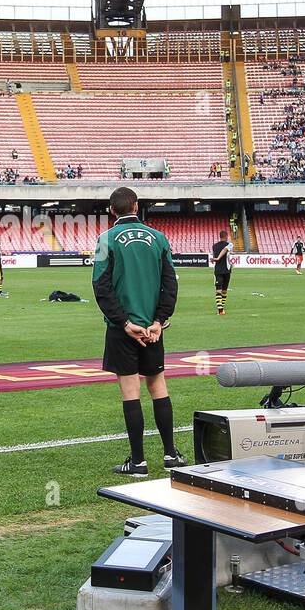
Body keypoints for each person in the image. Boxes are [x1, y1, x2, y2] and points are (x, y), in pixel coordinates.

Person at [92, 186, 185, 476]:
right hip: (152, 329)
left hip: (124, 330)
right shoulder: (158, 238)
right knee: (158, 387)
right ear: (136, 205)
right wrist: (159, 320)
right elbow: (170, 282)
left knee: (130, 392)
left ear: (112, 210)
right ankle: (171, 455)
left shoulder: (106, 239)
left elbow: (101, 286)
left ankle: (138, 462)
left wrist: (123, 323)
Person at [212, 230, 233, 315]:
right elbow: (225, 250)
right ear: (226, 236)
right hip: (227, 270)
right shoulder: (229, 244)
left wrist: (217, 258)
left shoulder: (214, 246)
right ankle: (221, 310)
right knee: (224, 290)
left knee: (219, 290)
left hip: (218, 270)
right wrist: (219, 258)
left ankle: (221, 309)